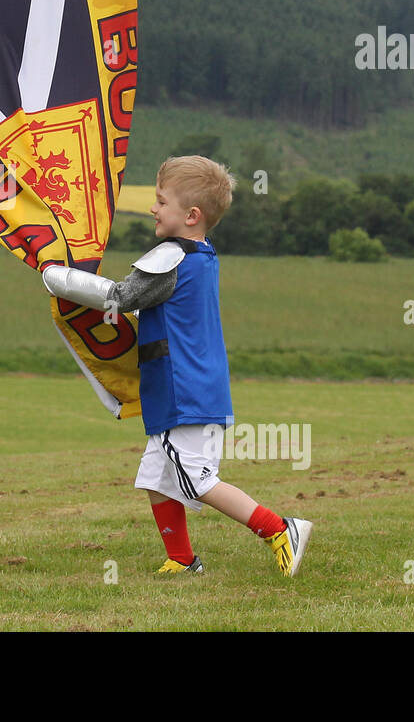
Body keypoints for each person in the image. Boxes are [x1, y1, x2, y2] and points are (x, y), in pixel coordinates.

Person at [42, 155, 312, 577]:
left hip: (184, 391)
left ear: (191, 216)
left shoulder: (172, 256)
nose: (153, 207)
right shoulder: (201, 255)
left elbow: (121, 296)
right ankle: (183, 560)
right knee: (156, 477)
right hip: (189, 388)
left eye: (160, 201)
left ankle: (279, 528)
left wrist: (58, 277)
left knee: (198, 481)